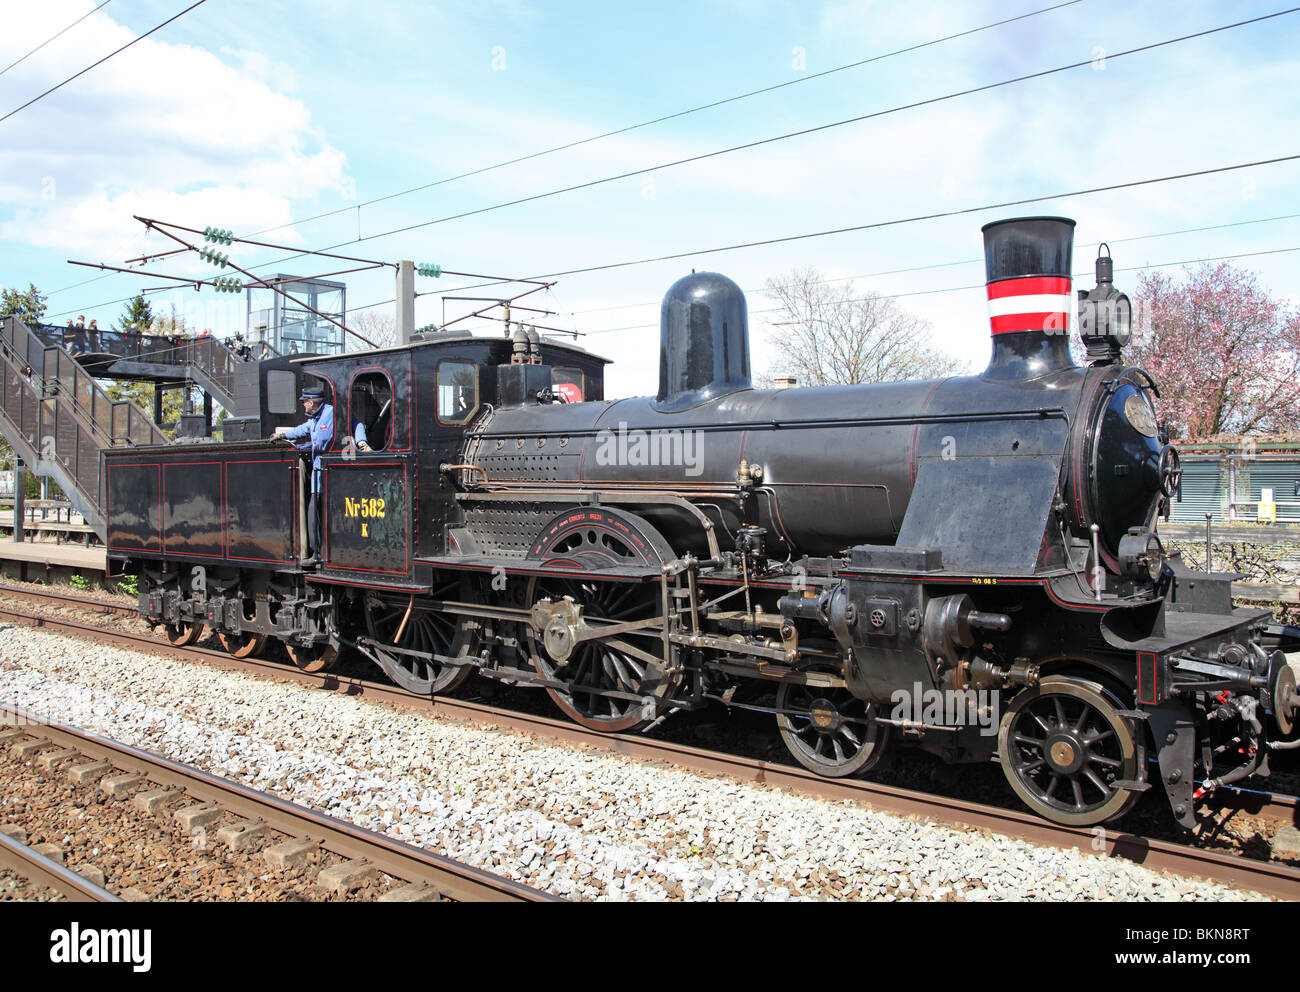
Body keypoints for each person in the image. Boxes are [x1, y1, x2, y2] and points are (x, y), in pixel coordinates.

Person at [282, 385, 369, 562]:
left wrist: (361, 442)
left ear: (311, 402)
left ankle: (322, 553)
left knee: (323, 514)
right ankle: (317, 552)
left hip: (334, 473)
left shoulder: (332, 413)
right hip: (319, 473)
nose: (303, 405)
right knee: (314, 513)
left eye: (304, 402)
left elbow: (356, 424)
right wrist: (283, 435)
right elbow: (301, 430)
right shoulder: (314, 419)